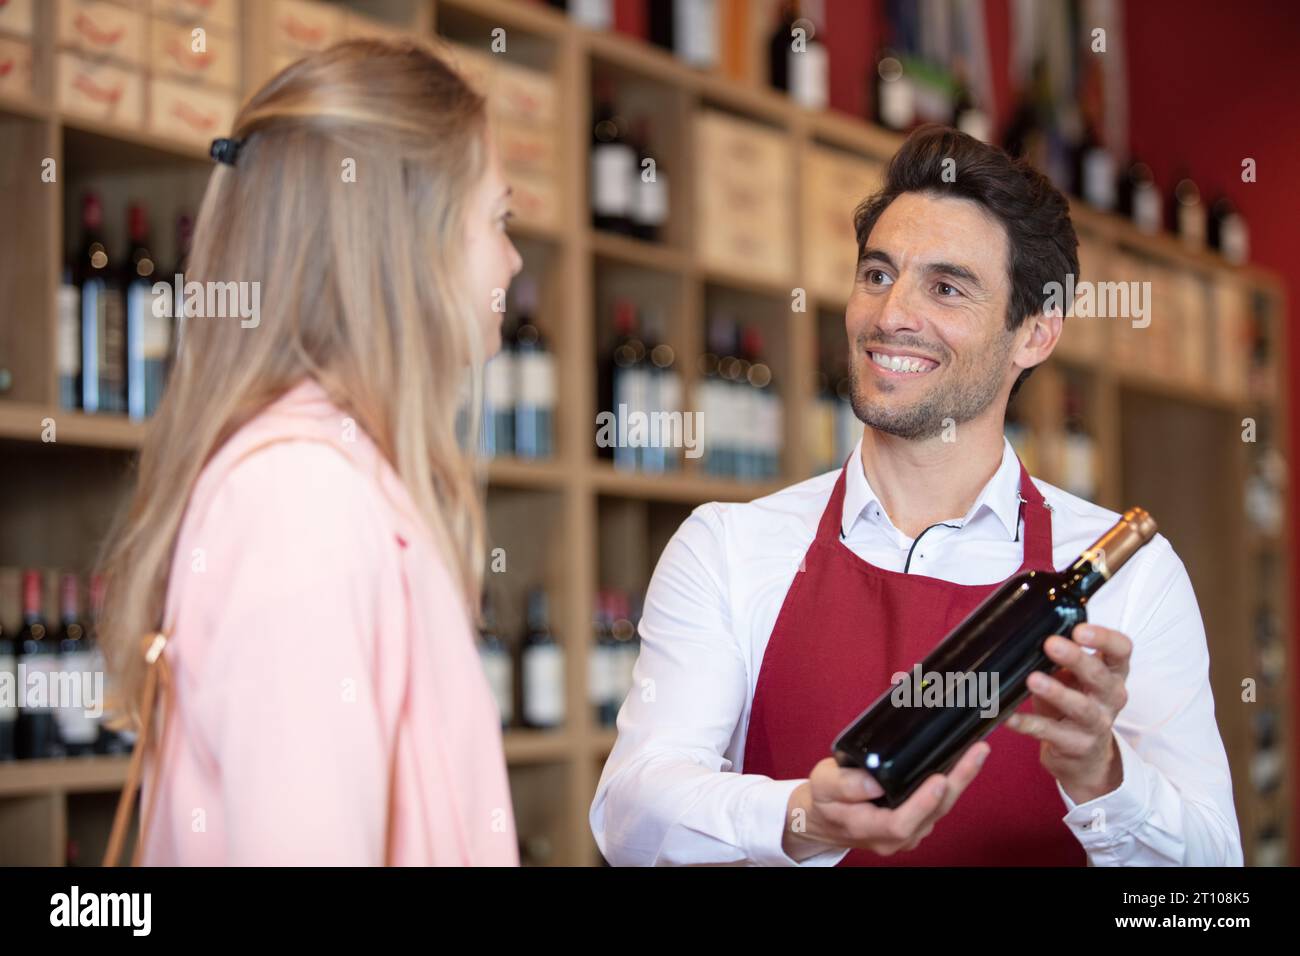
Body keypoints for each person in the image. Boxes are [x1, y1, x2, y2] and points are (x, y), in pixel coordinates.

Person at [591, 125, 1242, 866]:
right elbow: (629, 815)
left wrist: (1105, 778)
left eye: (945, 286)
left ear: (1034, 333)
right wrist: (804, 815)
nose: (891, 313)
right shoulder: (729, 546)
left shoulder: (1132, 581)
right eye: (877, 274)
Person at [98, 39, 523, 865]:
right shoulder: (299, 501)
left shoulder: (332, 480)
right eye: (497, 218)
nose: (512, 257)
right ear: (404, 232)